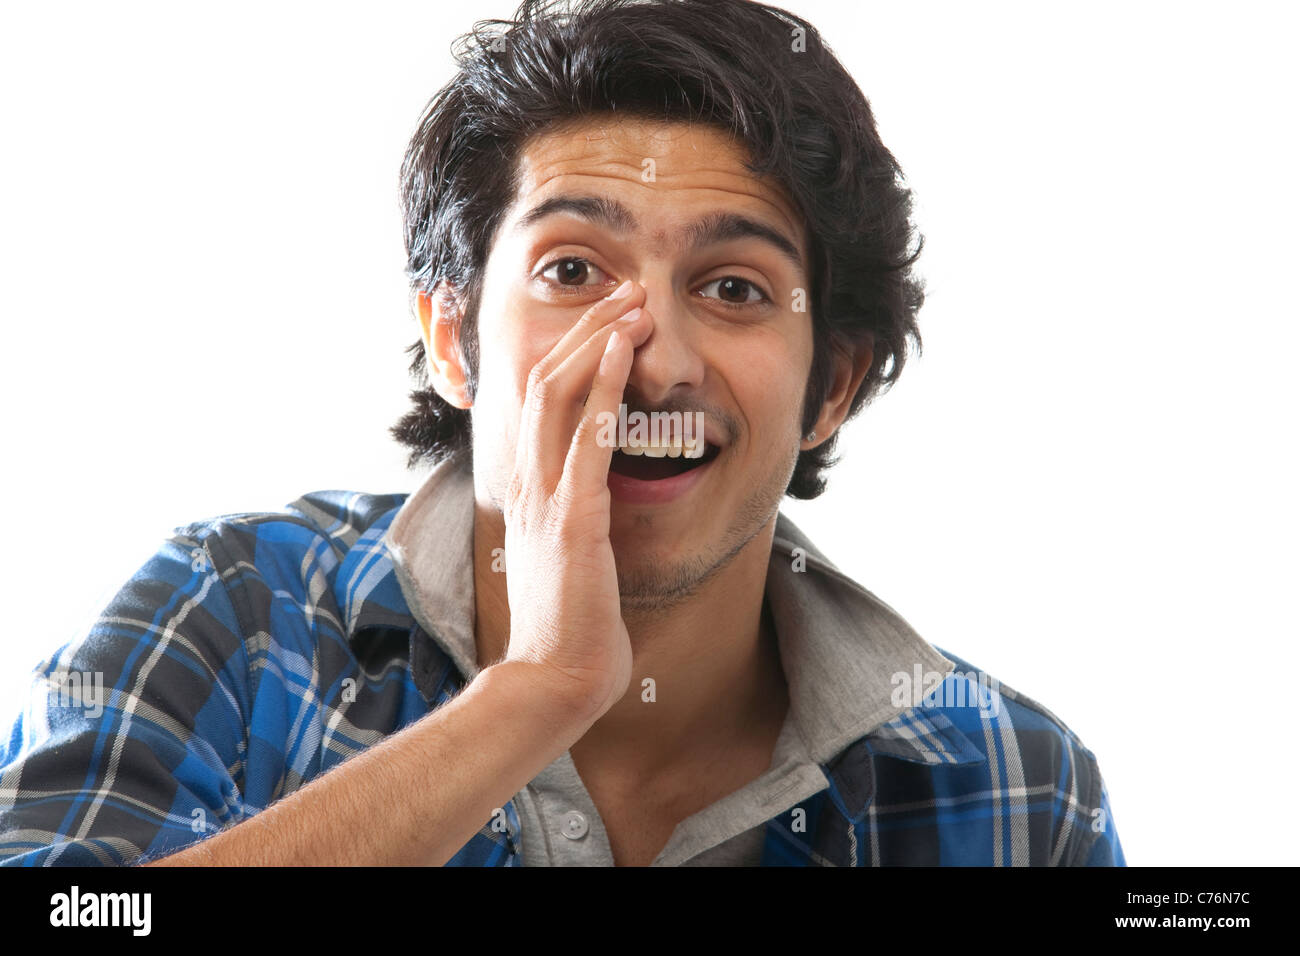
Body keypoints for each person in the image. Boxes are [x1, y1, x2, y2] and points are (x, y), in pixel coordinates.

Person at [0, 0, 1124, 867]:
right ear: (453, 340)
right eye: (573, 268)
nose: (655, 355)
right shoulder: (232, 613)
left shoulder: (1016, 784)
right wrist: (534, 689)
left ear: (830, 384)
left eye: (733, 287)